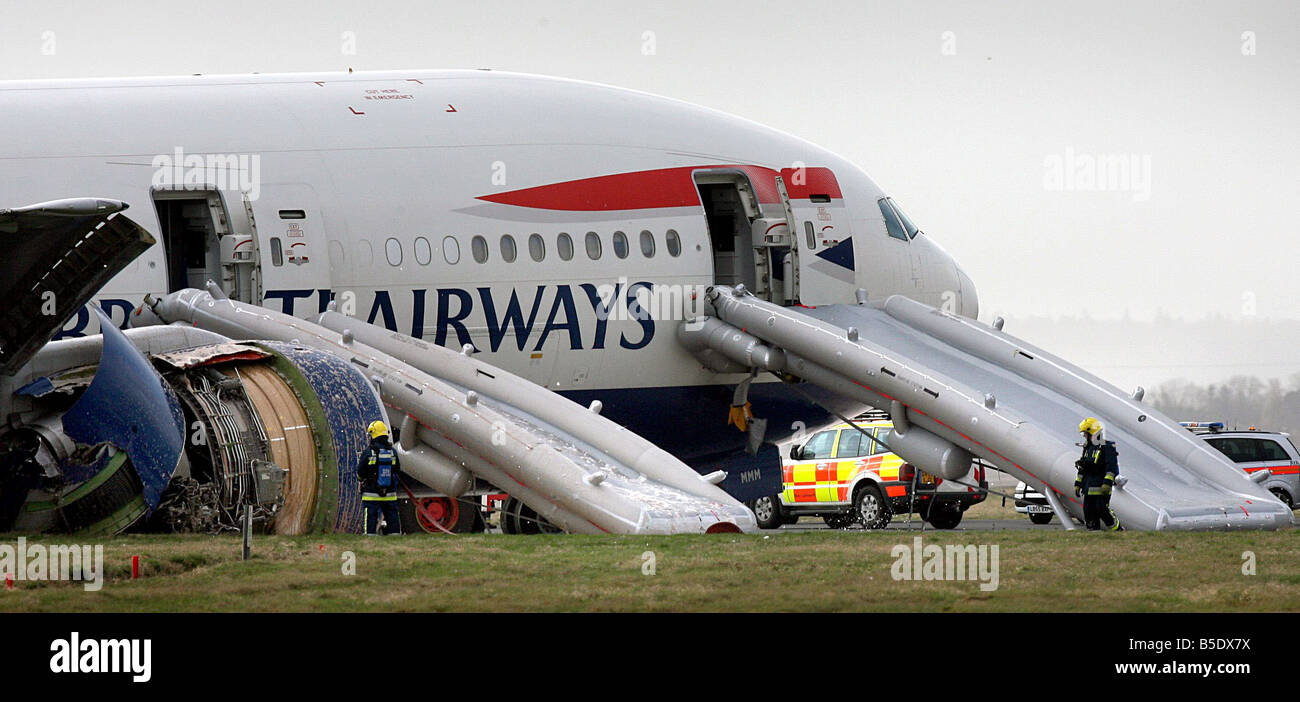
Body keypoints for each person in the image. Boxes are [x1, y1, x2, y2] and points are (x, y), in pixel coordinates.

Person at [1074, 417, 1120, 531]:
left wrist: (1107, 483)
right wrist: (1078, 484)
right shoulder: (1087, 448)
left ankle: (1117, 529)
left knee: (1101, 509)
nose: (1084, 436)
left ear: (1092, 432)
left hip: (1101, 485)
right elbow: (1082, 468)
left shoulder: (1107, 447)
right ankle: (1094, 533)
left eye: (1085, 433)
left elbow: (1111, 466)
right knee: (1088, 511)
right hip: (1088, 486)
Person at [357, 420, 402, 535]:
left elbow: (360, 471)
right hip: (390, 493)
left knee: (371, 516)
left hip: (371, 494)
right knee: (392, 516)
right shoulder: (392, 452)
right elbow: (397, 469)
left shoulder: (369, 452)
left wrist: (361, 480)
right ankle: (395, 537)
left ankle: (370, 537)